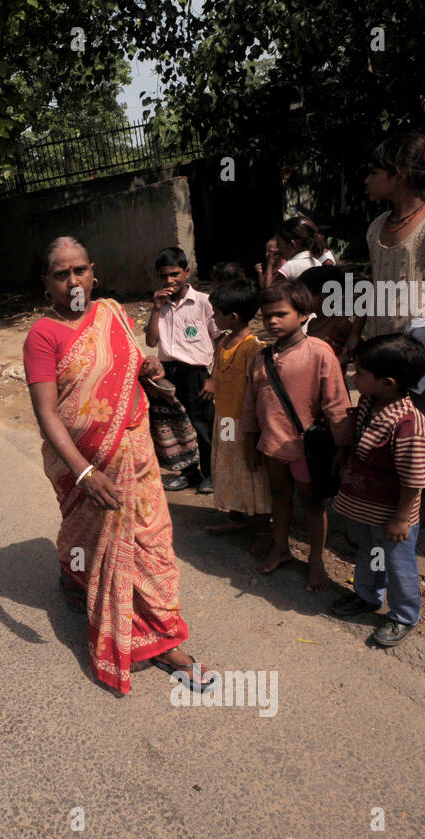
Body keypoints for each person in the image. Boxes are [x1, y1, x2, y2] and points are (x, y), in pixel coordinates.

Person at [23, 236, 216, 695]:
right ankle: (75, 576)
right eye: (60, 273)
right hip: (81, 464)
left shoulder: (111, 312)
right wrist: (85, 473)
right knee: (85, 533)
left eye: (80, 270)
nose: (73, 281)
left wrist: (145, 369)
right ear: (46, 284)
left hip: (135, 452)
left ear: (94, 272)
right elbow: (47, 412)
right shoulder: (42, 335)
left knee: (149, 541)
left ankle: (164, 638)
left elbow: (127, 362)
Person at [351, 132, 425, 524]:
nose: (367, 179)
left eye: (374, 172)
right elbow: (372, 282)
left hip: (422, 352)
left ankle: (423, 498)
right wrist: (356, 331)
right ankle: (385, 504)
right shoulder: (377, 224)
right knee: (384, 428)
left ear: (398, 175)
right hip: (381, 349)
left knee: (419, 430)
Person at [241, 280, 352, 592]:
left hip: (308, 449)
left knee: (313, 503)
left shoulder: (319, 352)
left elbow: (337, 404)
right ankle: (281, 548)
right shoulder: (260, 359)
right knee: (279, 495)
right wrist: (249, 443)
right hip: (272, 446)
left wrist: (343, 448)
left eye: (281, 314)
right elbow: (250, 405)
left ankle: (316, 561)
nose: (272, 321)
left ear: (303, 314)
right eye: (266, 316)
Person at [330, 335, 425, 647]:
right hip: (369, 508)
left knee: (399, 565)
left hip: (393, 514)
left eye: (360, 373)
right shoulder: (369, 402)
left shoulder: (409, 427)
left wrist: (402, 519)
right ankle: (368, 596)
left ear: (388, 383)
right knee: (371, 553)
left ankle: (404, 615)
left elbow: (414, 480)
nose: (353, 377)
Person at [145, 247, 220, 493]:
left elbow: (220, 341)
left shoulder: (204, 302)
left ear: (187, 272)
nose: (170, 281)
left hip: (196, 373)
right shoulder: (160, 304)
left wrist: (213, 378)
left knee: (202, 425)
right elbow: (151, 341)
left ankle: (209, 474)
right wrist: (156, 309)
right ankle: (189, 473)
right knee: (175, 427)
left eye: (175, 274)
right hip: (167, 372)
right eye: (164, 275)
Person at [206, 279, 273, 550]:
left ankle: (264, 528)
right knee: (228, 466)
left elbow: (259, 393)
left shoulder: (253, 347)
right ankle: (234, 515)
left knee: (252, 472)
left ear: (233, 317)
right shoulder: (224, 340)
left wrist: (255, 428)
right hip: (224, 418)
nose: (213, 317)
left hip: (243, 422)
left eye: (217, 313)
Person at [300, 265, 353, 363]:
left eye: (304, 295)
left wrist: (338, 361)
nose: (300, 299)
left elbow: (357, 353)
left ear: (322, 296)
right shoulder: (312, 323)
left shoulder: (341, 324)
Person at [272, 215, 333, 281]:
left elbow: (274, 290)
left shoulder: (289, 267)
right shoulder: (318, 263)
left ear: (292, 244)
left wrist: (270, 265)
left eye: (279, 243)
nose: (277, 247)